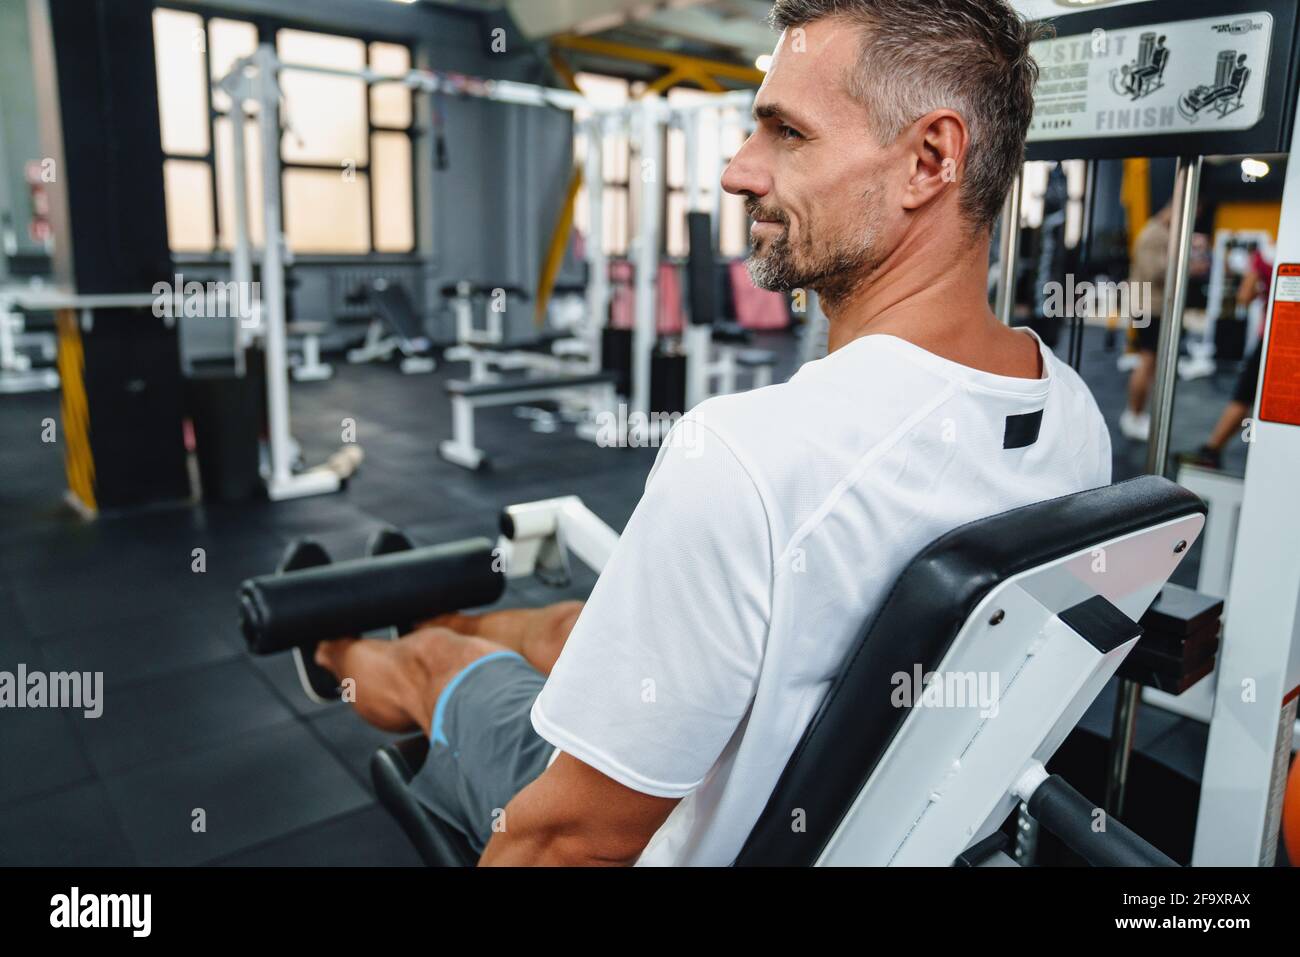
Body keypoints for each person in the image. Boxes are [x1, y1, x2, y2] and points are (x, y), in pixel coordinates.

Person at [307, 0, 1112, 866]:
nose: (737, 172)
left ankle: (334, 639)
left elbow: (562, 845)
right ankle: (454, 612)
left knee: (431, 665)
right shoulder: (1071, 418)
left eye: (786, 133)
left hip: (680, 836)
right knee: (575, 629)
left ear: (929, 160)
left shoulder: (746, 458)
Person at [1119, 200, 1210, 441]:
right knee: (1147, 360)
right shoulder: (1154, 234)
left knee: (1152, 361)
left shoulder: (1165, 234)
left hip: (1156, 307)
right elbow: (1153, 272)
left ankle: (1136, 415)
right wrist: (1185, 260)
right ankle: (1132, 415)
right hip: (1148, 308)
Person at [1177, 246, 1273, 469]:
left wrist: (1260, 288)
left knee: (1244, 395)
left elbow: (1244, 297)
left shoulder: (1266, 256)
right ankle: (1213, 449)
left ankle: (1212, 450)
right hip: (1280, 340)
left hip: (1274, 338)